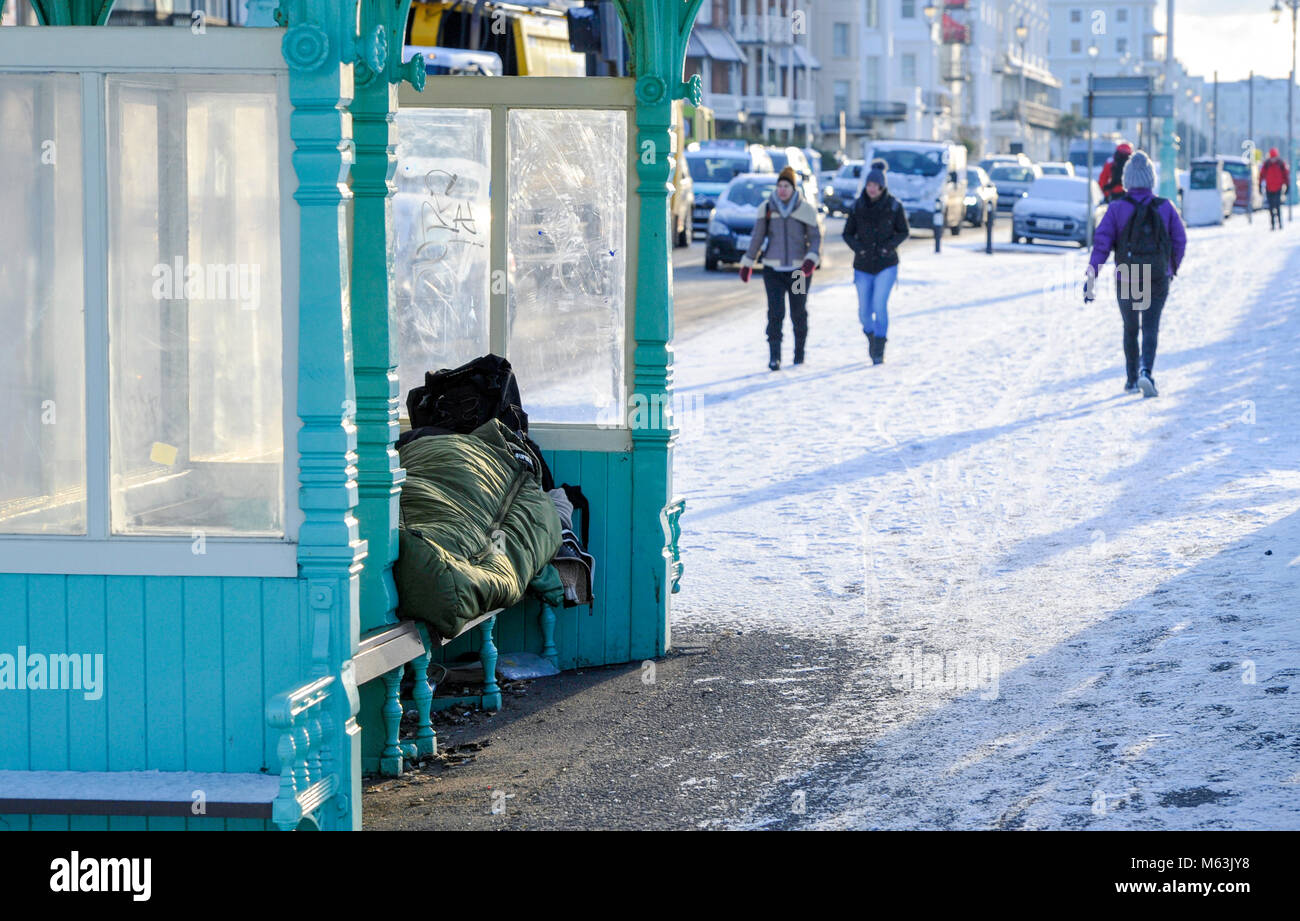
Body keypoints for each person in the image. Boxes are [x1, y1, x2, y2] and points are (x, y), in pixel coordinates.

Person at [1085, 150, 1187, 398]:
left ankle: (1131, 379)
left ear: (1127, 180)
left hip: (1129, 276)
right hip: (1156, 276)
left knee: (1131, 328)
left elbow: (1102, 245)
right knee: (1151, 326)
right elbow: (1180, 240)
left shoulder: (1117, 208)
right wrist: (1171, 267)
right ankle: (1146, 371)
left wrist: (1091, 277)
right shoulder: (1165, 207)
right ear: (1151, 179)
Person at [739, 165, 822, 370]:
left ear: (794, 188)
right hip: (773, 270)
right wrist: (748, 262)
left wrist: (811, 259)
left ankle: (799, 355)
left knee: (798, 312)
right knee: (775, 313)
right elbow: (757, 238)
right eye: (780, 186)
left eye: (786, 186)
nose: (782, 189)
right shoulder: (767, 208)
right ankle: (774, 357)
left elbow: (815, 237)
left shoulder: (806, 209)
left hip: (798, 272)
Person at [843, 166, 909, 365]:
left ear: (882, 187)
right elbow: (847, 233)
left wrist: (888, 247)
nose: (872, 189)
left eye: (876, 186)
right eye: (869, 185)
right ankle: (871, 336)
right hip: (863, 265)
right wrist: (859, 248)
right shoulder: (857, 206)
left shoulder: (894, 206)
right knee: (864, 312)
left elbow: (903, 231)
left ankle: (879, 347)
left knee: (880, 305)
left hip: (886, 264)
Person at [1260, 147, 1290, 230]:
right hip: (1269, 187)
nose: (1273, 159)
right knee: (1270, 207)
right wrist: (1259, 185)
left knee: (1277, 206)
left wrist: (1287, 185)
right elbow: (1261, 175)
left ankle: (1280, 223)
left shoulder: (1280, 164)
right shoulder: (1267, 164)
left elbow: (1286, 175)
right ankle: (1272, 224)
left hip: (1278, 188)